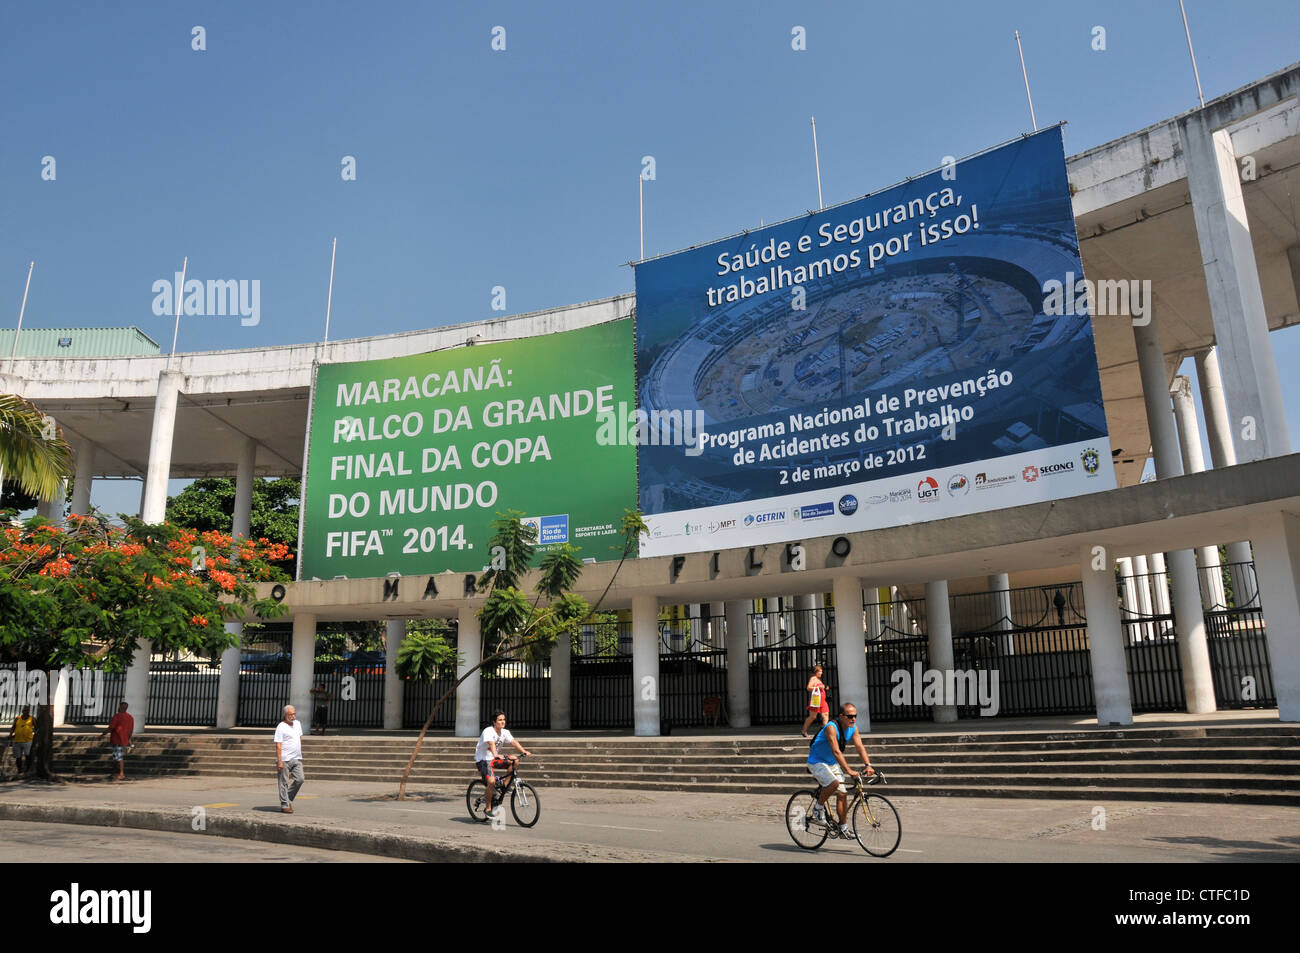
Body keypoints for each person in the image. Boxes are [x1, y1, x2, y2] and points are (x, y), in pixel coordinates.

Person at [806, 702, 875, 837]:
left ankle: (843, 828)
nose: (853, 719)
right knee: (834, 783)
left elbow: (860, 746)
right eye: (850, 716)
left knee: (842, 794)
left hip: (831, 763)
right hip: (817, 762)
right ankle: (817, 809)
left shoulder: (853, 728)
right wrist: (849, 771)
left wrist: (868, 764)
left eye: (855, 716)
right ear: (841, 716)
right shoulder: (831, 727)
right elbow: (837, 751)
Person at [474, 710, 530, 809]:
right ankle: (488, 808)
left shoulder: (505, 732)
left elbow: (514, 742)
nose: (503, 722)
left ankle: (505, 786)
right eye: (500, 720)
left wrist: (523, 751)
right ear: (494, 722)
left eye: (504, 719)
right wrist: (497, 755)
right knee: (491, 781)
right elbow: (491, 744)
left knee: (515, 761)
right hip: (483, 759)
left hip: (494, 758)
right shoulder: (488, 731)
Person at [274, 704, 305, 814]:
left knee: (300, 779)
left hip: (296, 758)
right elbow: (278, 745)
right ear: (285, 715)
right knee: (283, 782)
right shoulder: (281, 727)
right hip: (284, 759)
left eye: (294, 714)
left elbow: (299, 739)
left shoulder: (297, 724)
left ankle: (288, 798)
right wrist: (280, 761)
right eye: (290, 714)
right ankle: (285, 804)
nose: (293, 716)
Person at [102, 702, 134, 782]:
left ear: (120, 707)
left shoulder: (117, 716)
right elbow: (130, 730)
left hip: (117, 739)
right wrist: (129, 740)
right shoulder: (130, 717)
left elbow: (111, 727)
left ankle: (121, 773)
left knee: (118, 757)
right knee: (116, 757)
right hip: (124, 739)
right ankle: (113, 773)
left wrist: (103, 734)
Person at [800, 664, 830, 738]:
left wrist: (825, 688)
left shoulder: (818, 679)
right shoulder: (813, 678)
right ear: (816, 672)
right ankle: (804, 731)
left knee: (825, 715)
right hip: (816, 700)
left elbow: (820, 688)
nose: (821, 673)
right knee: (813, 717)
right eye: (820, 671)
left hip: (823, 701)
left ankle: (824, 732)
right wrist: (818, 687)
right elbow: (808, 687)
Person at [7, 705, 35, 777]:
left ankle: (27, 770)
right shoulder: (17, 718)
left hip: (27, 740)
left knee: (27, 756)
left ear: (29, 711)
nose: (26, 712)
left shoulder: (32, 719)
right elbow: (13, 727)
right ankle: (19, 771)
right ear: (22, 711)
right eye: (24, 710)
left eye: (27, 711)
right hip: (17, 740)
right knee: (18, 757)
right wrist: (10, 734)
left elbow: (37, 728)